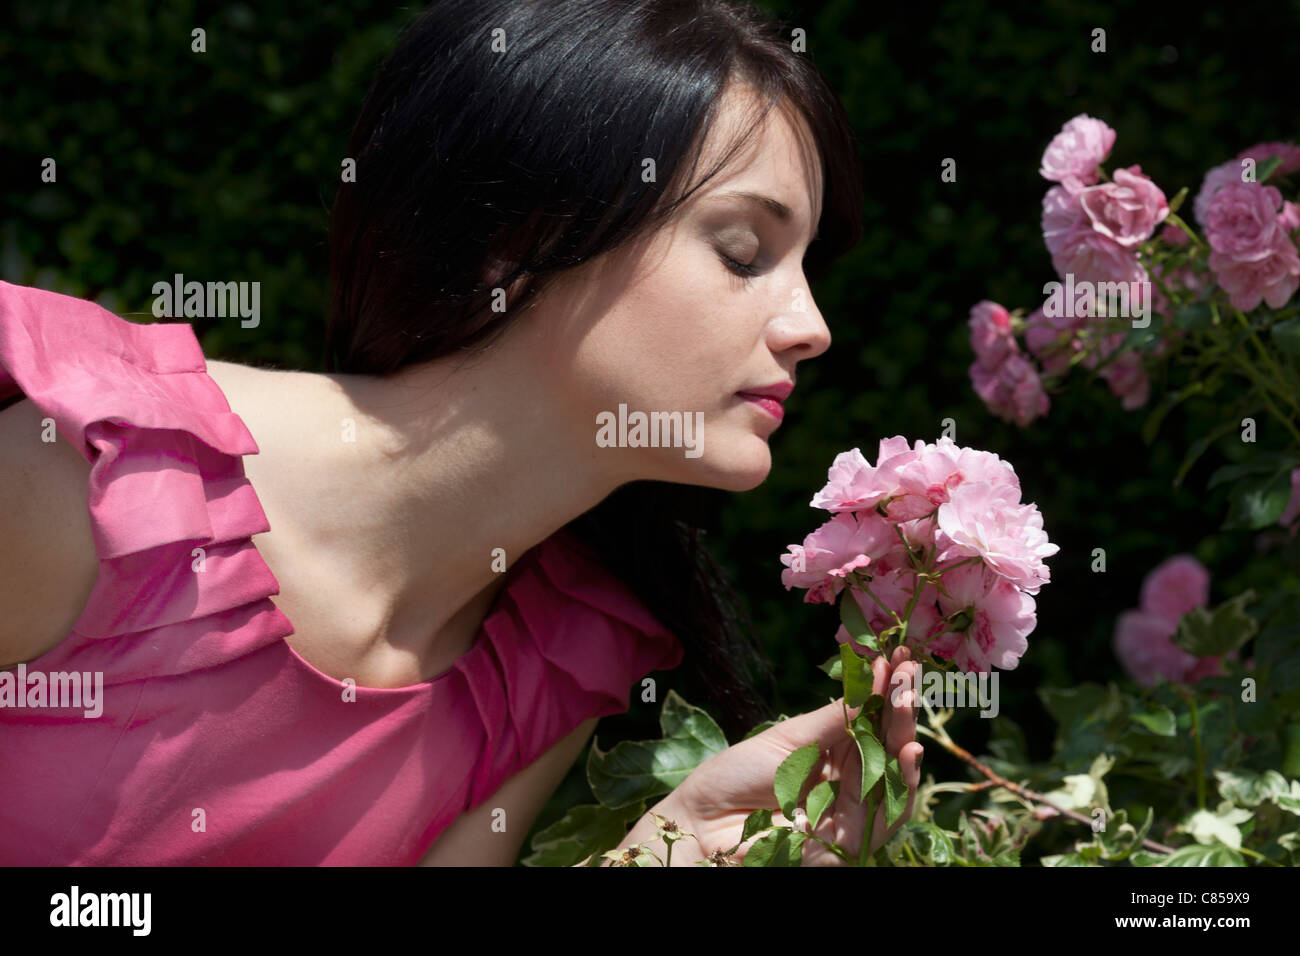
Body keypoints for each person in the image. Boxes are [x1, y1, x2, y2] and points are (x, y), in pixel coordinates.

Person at [0, 0, 921, 866]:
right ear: (514, 241)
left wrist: (668, 844)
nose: (811, 326)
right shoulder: (96, 476)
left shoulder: (548, 657)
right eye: (743, 253)